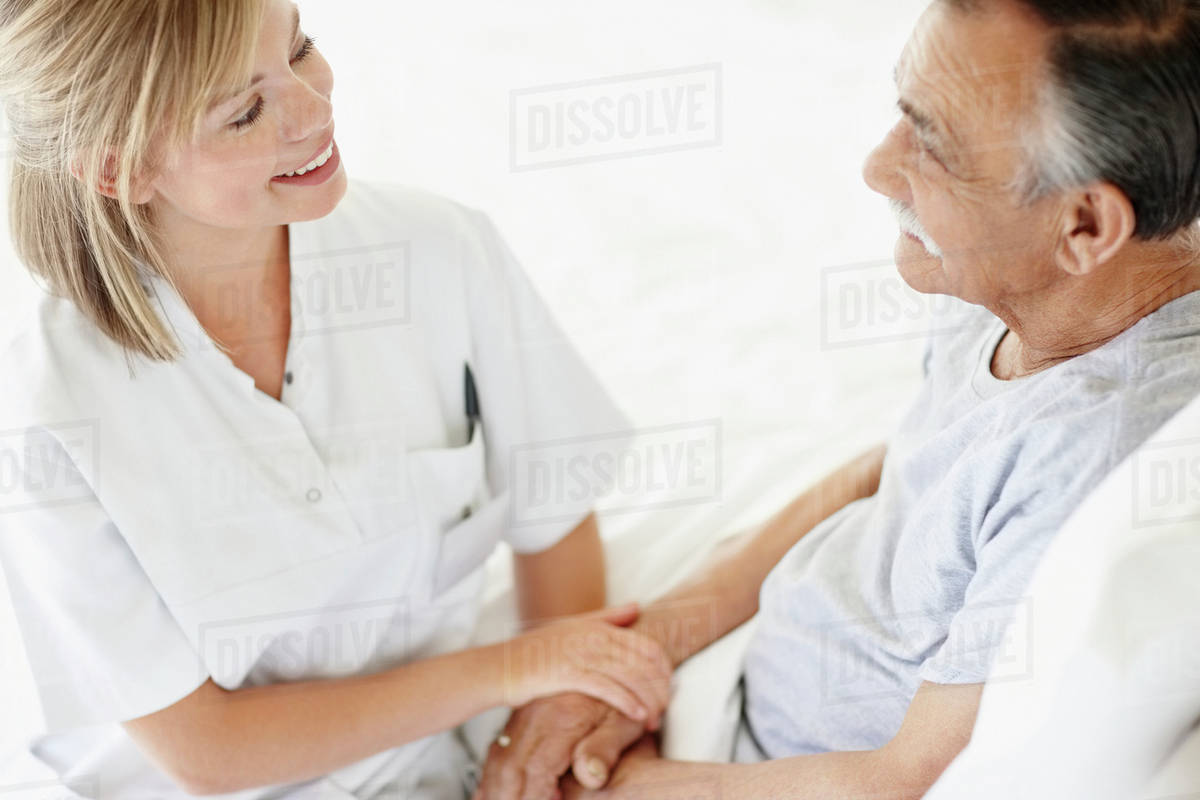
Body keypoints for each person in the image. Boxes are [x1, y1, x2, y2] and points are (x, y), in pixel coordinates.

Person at [472, 1, 1200, 798]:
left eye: (936, 146)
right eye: (905, 111)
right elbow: (884, 473)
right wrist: (641, 651)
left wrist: (619, 786)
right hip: (735, 677)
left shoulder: (1087, 461)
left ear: (1085, 225)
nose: (879, 167)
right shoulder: (1021, 281)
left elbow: (905, 782)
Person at [0, 1, 672, 797]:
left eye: (301, 49)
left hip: (449, 756)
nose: (314, 109)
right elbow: (207, 754)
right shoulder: (49, 410)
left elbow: (553, 515)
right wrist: (514, 669)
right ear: (120, 171)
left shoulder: (439, 250)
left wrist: (550, 719)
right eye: (246, 112)